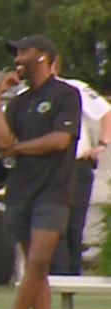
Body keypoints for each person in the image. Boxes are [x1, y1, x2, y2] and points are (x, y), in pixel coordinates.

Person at [0, 34, 79, 309]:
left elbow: (60, 140)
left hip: (53, 192)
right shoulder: (20, 102)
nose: (18, 59)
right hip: (21, 192)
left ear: (41, 56)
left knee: (40, 260)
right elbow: (1, 143)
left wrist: (19, 148)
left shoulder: (66, 95)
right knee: (34, 268)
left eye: (23, 52)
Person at [48, 55, 111, 275]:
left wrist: (102, 144)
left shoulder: (74, 88)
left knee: (73, 228)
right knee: (50, 228)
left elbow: (105, 111)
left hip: (75, 165)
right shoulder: (24, 96)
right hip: (44, 168)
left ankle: (71, 279)